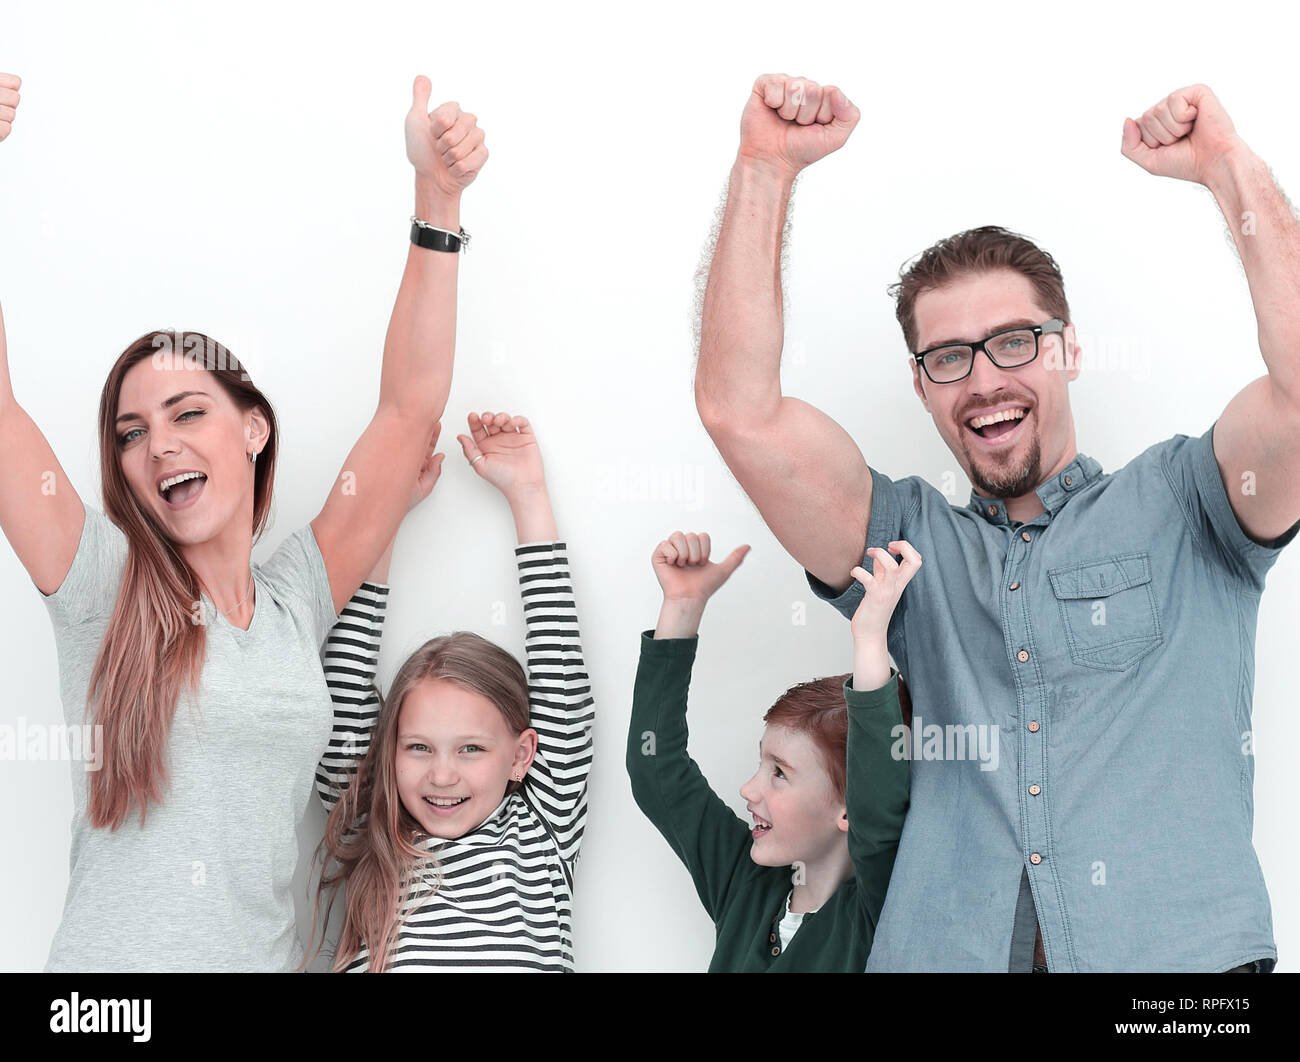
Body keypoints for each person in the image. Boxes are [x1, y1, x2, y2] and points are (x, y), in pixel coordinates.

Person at [694, 74, 1300, 972]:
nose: (984, 381)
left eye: (1015, 342)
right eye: (948, 357)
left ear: (1068, 349)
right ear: (922, 385)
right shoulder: (904, 545)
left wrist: (1227, 168)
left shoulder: (1192, 501)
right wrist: (763, 168)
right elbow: (739, 411)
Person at [0, 73, 482, 971]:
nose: (160, 447)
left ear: (252, 429)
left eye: (188, 413)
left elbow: (410, 408)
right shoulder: (101, 586)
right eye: (133, 434)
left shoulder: (298, 596)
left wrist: (437, 200)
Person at [310, 411, 594, 973]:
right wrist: (383, 515)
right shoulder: (376, 827)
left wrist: (528, 495)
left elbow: (561, 669)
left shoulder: (540, 830)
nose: (442, 776)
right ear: (387, 753)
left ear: (521, 756)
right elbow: (339, 695)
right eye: (418, 747)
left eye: (471, 748)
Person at [626, 530, 913, 971]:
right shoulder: (745, 882)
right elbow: (656, 768)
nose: (748, 789)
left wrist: (870, 641)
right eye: (762, 763)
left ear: (850, 808)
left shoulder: (878, 914)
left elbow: (879, 809)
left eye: (779, 773)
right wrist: (682, 608)